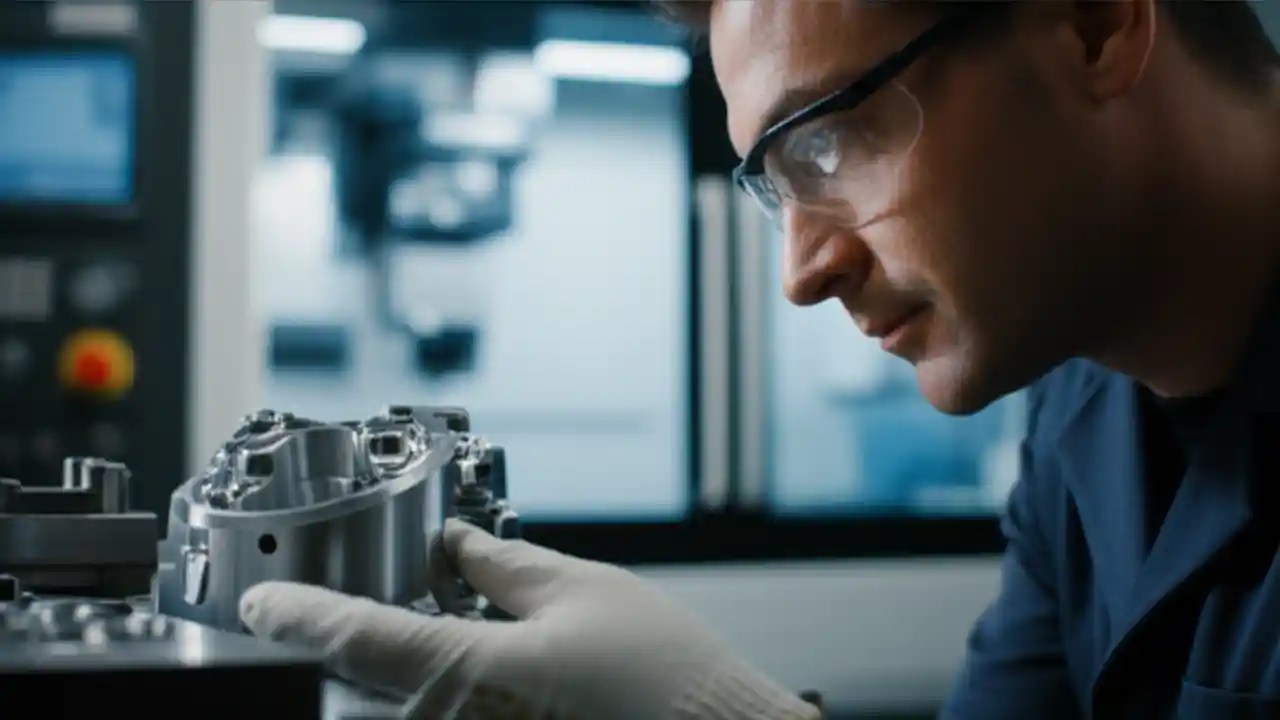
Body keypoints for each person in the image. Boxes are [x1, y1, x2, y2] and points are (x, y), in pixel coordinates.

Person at [237, 1, 1280, 717]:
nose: (803, 272)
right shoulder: (1077, 421)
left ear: (1093, 23)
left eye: (826, 142)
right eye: (777, 182)